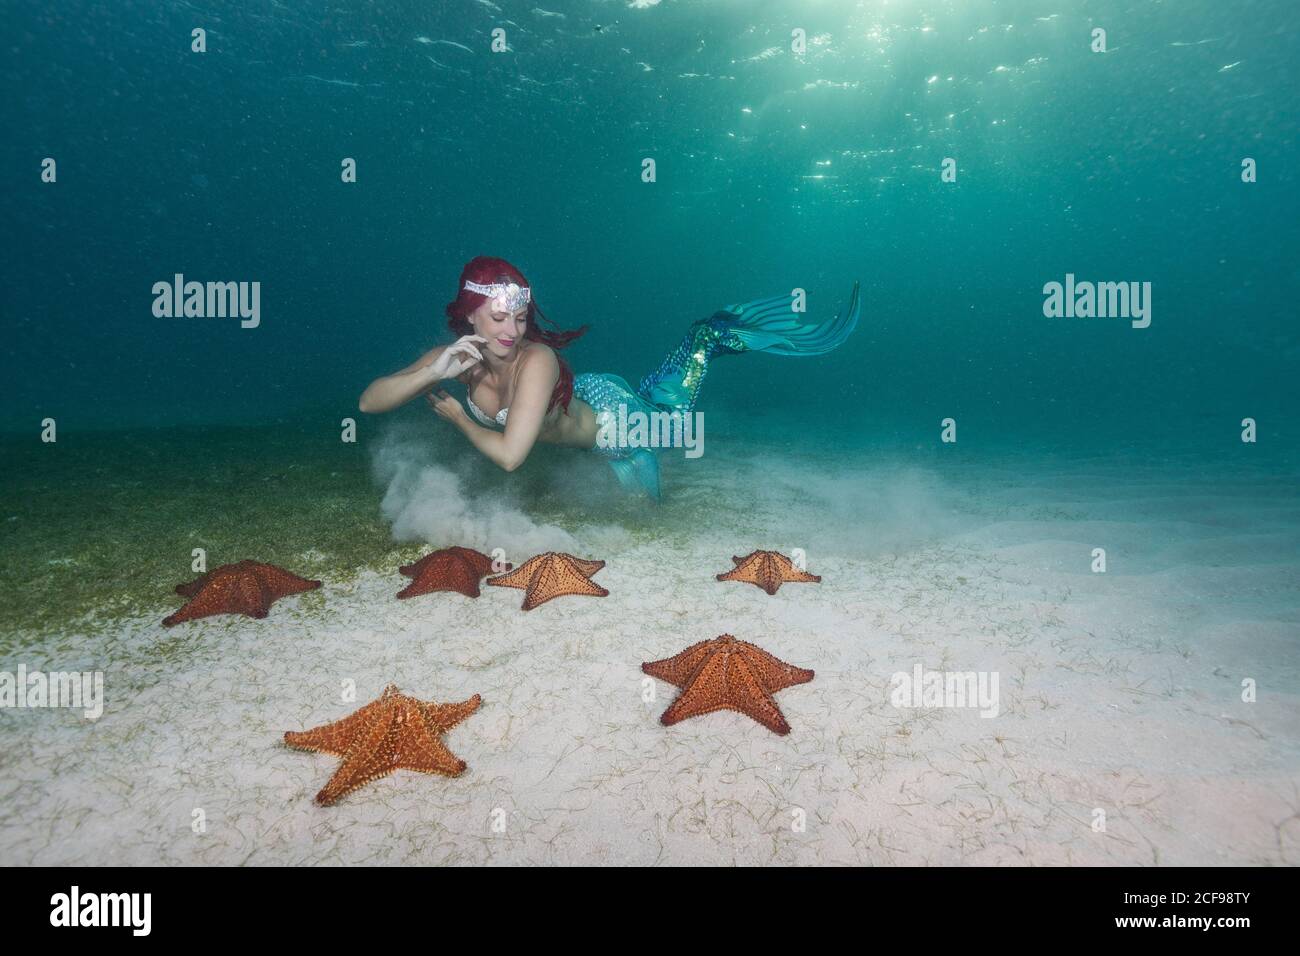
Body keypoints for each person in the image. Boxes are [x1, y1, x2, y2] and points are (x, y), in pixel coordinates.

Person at [359, 256, 859, 499]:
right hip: (589, 402)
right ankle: (705, 337)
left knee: (666, 421)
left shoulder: (537, 361)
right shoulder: (453, 357)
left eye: (519, 319)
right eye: (497, 319)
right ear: (470, 317)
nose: (512, 331)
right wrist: (433, 371)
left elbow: (511, 458)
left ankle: (709, 336)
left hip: (619, 427)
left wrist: (459, 421)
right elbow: (370, 402)